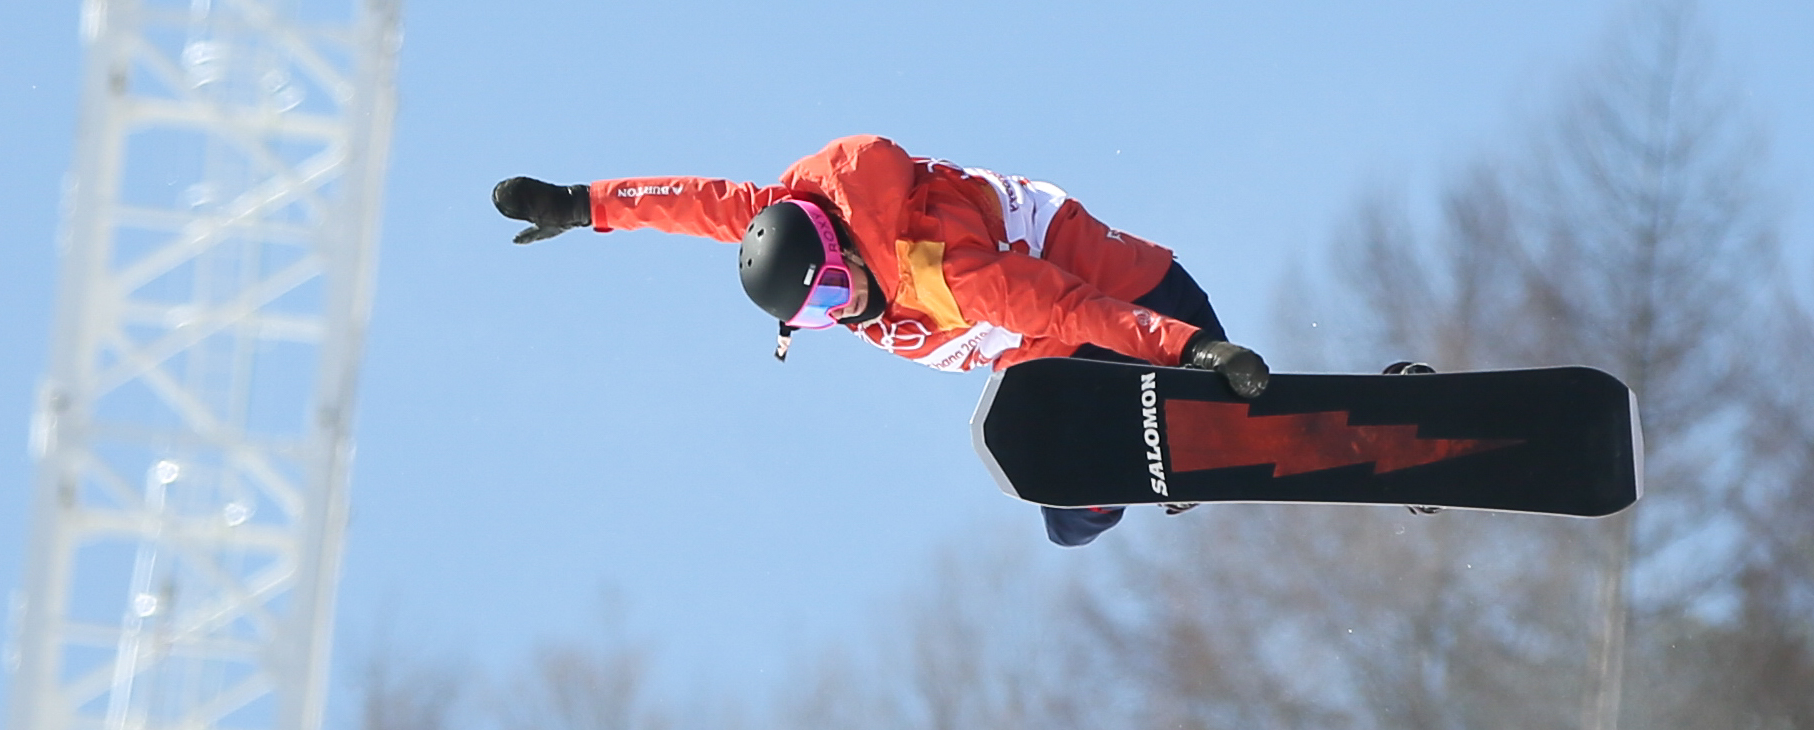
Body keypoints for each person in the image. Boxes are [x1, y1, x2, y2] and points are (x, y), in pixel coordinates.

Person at [491, 135, 1269, 548]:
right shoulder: (792, 212)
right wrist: (580, 204)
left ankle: (1186, 415)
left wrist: (1190, 349)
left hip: (1138, 302)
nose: (845, 312)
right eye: (822, 316)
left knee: (1068, 435)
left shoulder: (941, 270)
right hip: (1061, 343)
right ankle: (1155, 453)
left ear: (844, 252)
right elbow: (699, 205)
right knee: (1065, 518)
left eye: (834, 291)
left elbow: (1070, 309)